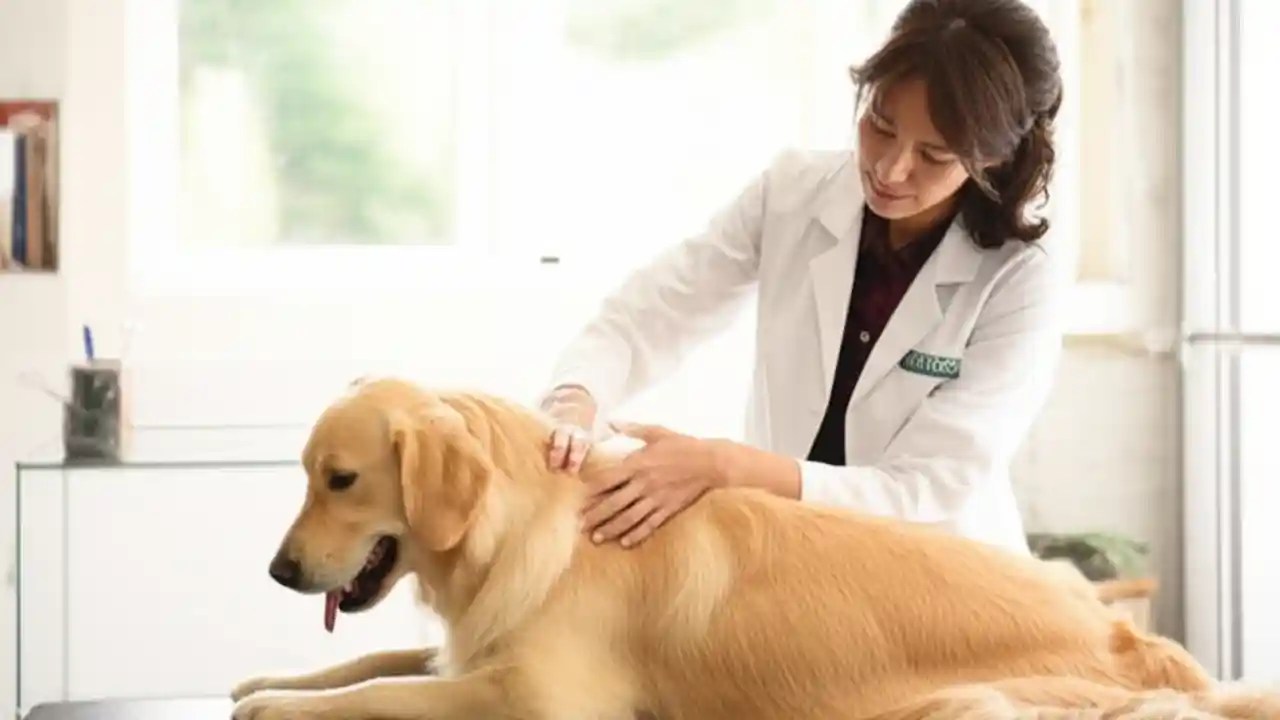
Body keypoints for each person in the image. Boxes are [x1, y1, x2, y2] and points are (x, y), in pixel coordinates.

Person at [539, 0, 1066, 557]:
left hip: (935, 576)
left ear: (992, 159)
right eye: (880, 124)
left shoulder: (1019, 276)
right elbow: (648, 316)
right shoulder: (792, 193)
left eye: (933, 155)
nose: (890, 169)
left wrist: (726, 466)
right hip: (788, 560)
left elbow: (927, 485)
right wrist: (576, 401)